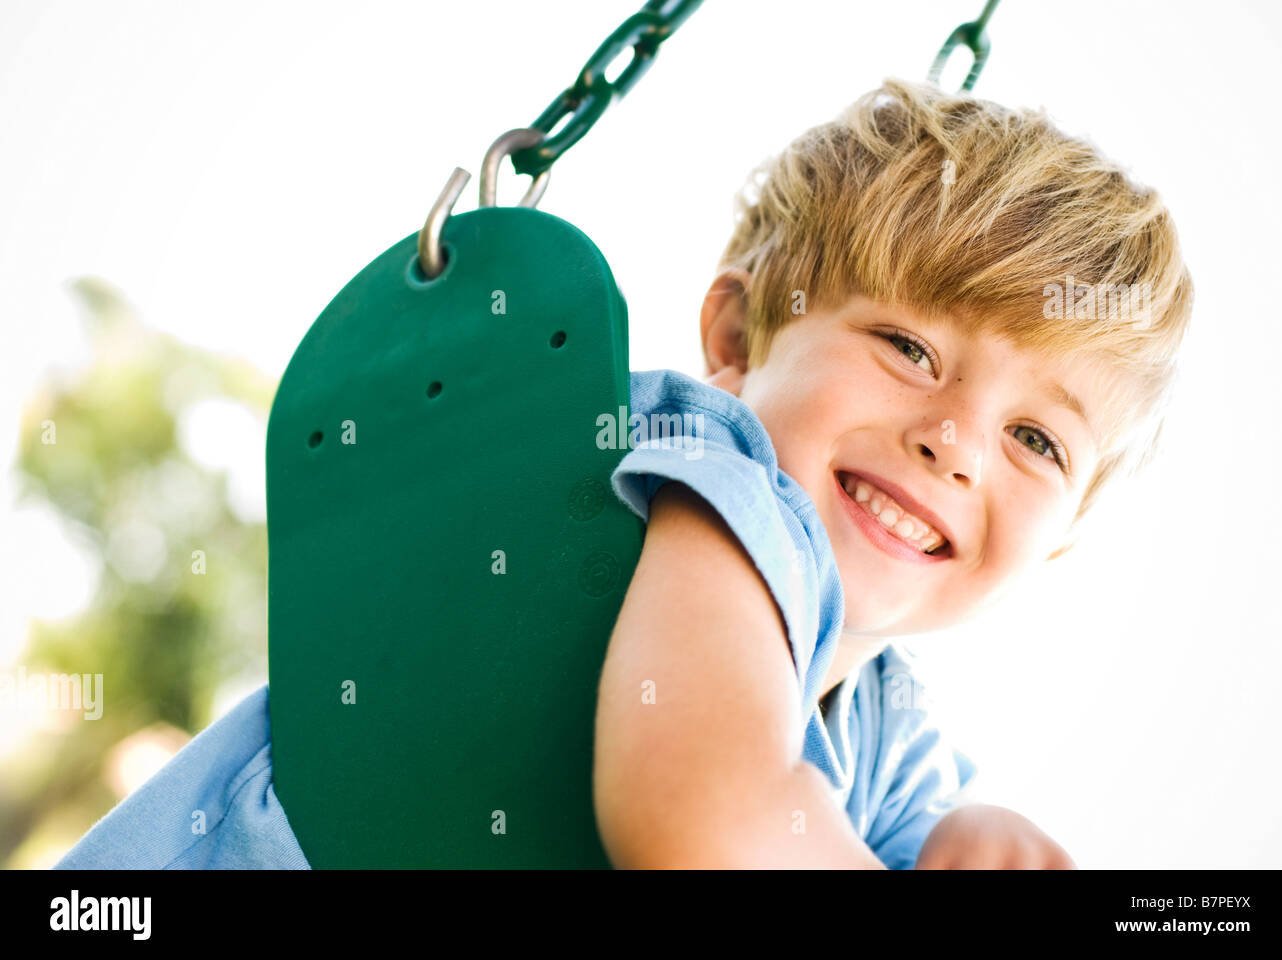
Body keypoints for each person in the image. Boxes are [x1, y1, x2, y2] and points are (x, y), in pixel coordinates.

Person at [57, 77, 1192, 869]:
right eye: (907, 350)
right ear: (741, 339)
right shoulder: (719, 478)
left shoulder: (886, 732)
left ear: (1067, 531)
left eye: (1037, 440)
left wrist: (966, 836)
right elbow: (702, 824)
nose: (952, 438)